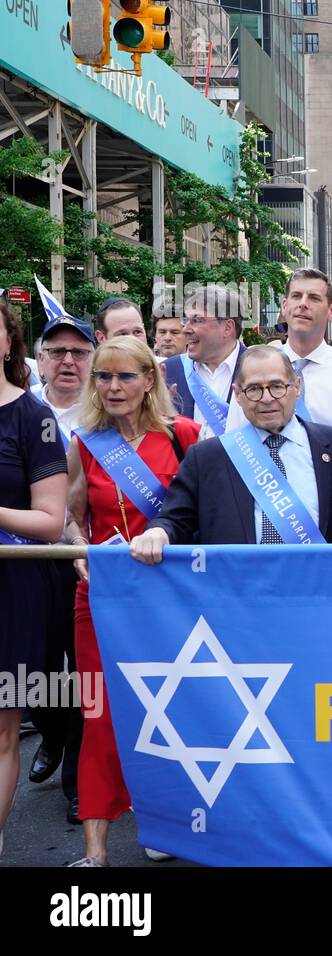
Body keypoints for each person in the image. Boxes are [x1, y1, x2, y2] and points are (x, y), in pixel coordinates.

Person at [63, 337, 202, 866]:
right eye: (104, 377)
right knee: (99, 716)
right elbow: (73, 516)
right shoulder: (84, 442)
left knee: (169, 711)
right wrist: (79, 550)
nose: (114, 387)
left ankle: (163, 824)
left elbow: (202, 514)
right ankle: (95, 852)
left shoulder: (184, 437)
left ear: (150, 380)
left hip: (169, 600)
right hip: (100, 598)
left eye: (126, 377)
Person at [129, 346, 332, 559]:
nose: (267, 398)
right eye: (254, 389)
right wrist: (157, 533)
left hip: (318, 595)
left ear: (296, 387)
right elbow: (175, 519)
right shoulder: (207, 457)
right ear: (238, 394)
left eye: (277, 386)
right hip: (239, 597)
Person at [0, 304, 70, 858]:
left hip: (12, 587)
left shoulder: (34, 418)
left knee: (1, 730)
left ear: (9, 343)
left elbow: (50, 523)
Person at [27, 316, 93, 820]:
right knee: (40, 670)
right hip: (30, 557)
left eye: (79, 351)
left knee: (86, 670)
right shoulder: (19, 412)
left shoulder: (106, 417)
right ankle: (50, 733)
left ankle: (78, 778)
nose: (68, 360)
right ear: (40, 358)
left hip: (92, 560)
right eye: (58, 351)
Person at [272, 269, 332, 428]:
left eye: (314, 298)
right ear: (284, 306)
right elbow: (237, 437)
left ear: (331, 311)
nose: (303, 304)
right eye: (296, 296)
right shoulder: (258, 368)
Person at [161, 284, 247, 436]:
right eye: (185, 320)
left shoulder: (258, 370)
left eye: (197, 320)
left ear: (227, 327)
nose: (185, 329)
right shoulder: (167, 371)